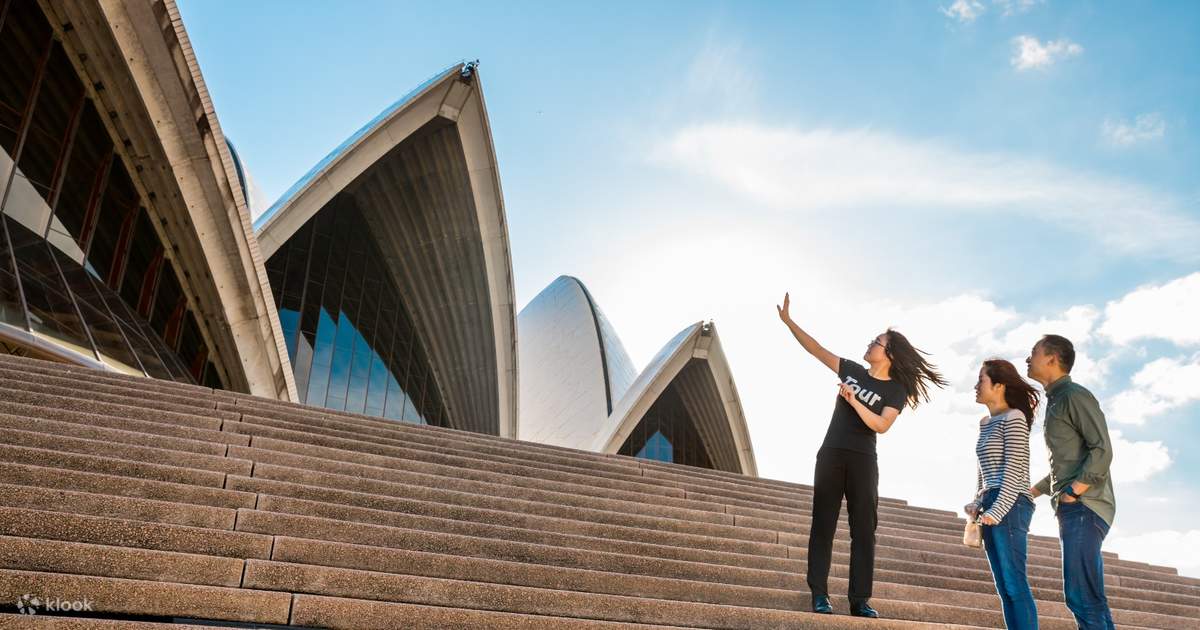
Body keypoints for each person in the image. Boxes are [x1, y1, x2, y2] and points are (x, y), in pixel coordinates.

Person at [777, 292, 947, 618]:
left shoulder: (896, 390)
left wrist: (854, 401)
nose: (870, 344)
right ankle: (820, 595)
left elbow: (882, 425)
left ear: (890, 354)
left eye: (877, 342)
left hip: (863, 459)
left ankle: (859, 600)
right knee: (823, 525)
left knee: (864, 530)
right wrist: (789, 322)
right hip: (831, 454)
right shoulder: (851, 370)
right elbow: (816, 349)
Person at [1026, 334, 1116, 630]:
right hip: (1077, 507)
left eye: (1034, 352)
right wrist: (1035, 490)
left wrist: (1073, 494)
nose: (1028, 358)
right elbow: (1065, 465)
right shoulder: (1056, 400)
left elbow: (1102, 449)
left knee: (1081, 597)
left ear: (1052, 359)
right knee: (1091, 598)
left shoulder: (1074, 395)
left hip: (1084, 507)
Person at [965, 359, 1040, 629]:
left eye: (981, 380)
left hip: (1013, 503)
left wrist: (997, 511)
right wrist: (977, 501)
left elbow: (1014, 471)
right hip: (991, 501)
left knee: (1014, 582)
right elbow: (983, 470)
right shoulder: (986, 422)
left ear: (998, 385)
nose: (976, 386)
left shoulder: (1015, 418)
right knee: (1003, 587)